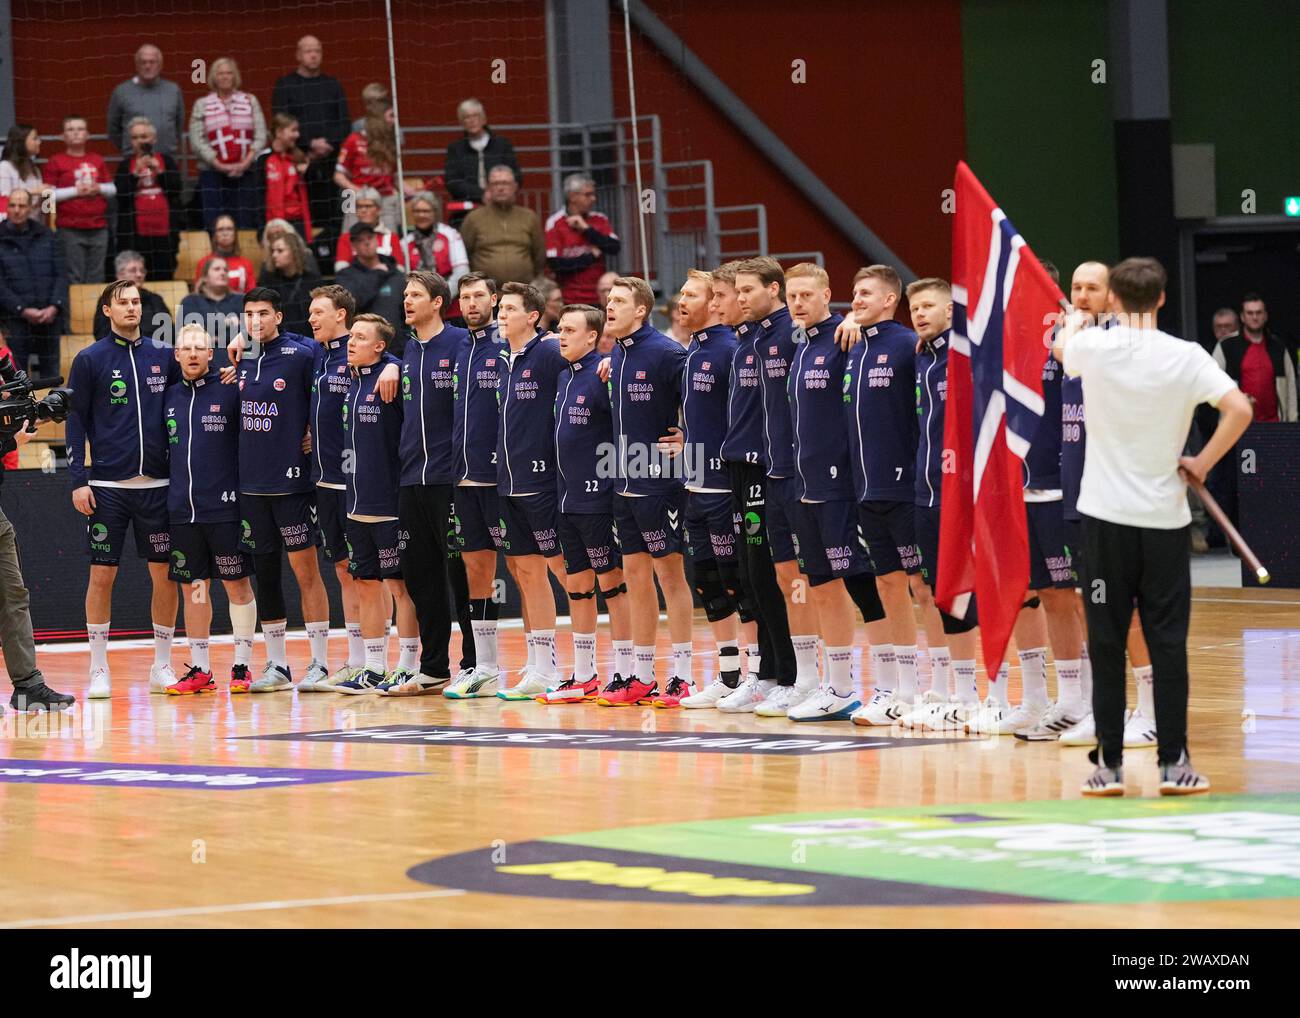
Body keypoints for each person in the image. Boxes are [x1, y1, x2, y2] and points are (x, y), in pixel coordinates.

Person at [1055, 256, 1252, 796]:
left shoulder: (1092, 349)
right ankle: (1174, 762)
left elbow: (1060, 350)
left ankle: (1110, 766)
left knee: (1106, 640)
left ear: (1114, 299)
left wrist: (1074, 318)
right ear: (1162, 298)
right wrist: (1203, 461)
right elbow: (1239, 409)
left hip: (1102, 523)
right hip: (1164, 524)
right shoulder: (1186, 356)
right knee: (1167, 643)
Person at [1050, 261, 1158, 749]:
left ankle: (1152, 710)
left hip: (1117, 497)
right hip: (1078, 494)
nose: (1083, 295)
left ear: (1113, 294)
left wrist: (1070, 328)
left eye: (1093, 287)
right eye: (1076, 288)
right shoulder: (1078, 338)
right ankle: (1104, 708)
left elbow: (1068, 352)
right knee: (1090, 605)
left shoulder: (1118, 342)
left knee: (1125, 608)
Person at [66, 278, 181, 699]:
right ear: (107, 311)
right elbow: (75, 423)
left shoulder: (162, 356)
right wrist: (79, 480)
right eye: (124, 303)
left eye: (136, 302)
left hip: (158, 485)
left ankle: (163, 665)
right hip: (107, 487)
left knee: (165, 575)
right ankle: (98, 668)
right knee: (101, 576)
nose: (133, 308)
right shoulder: (89, 359)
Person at [699, 260, 797, 713]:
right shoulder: (747, 342)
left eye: (738, 293)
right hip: (738, 466)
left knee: (766, 572)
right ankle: (769, 672)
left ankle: (785, 675)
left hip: (766, 469)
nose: (731, 301)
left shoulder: (785, 335)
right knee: (752, 573)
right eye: (725, 294)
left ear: (771, 290)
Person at [835, 265, 929, 726]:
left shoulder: (908, 345)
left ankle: (939, 689)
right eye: (854, 293)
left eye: (866, 293)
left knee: (922, 587)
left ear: (891, 299)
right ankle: (900, 690)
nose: (857, 299)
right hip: (864, 488)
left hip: (908, 487)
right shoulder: (853, 345)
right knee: (888, 584)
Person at [596, 276, 695, 707]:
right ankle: (640, 673)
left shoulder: (670, 354)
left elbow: (706, 407)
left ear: (641, 310)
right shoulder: (616, 355)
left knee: (670, 577)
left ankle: (684, 676)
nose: (609, 307)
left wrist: (688, 437)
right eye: (608, 301)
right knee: (635, 577)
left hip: (662, 483)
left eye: (618, 301)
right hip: (625, 482)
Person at [778, 263, 870, 721]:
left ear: (827, 295)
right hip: (803, 485)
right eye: (792, 296)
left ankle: (873, 685)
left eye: (807, 296)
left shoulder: (843, 338)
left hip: (840, 487)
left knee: (859, 584)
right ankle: (836, 686)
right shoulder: (801, 345)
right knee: (819, 586)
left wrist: (852, 320)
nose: (798, 304)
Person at [231, 287, 330, 693]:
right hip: (252, 487)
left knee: (306, 571)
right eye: (249, 314)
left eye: (263, 313)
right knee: (266, 575)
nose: (255, 321)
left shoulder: (303, 353)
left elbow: (331, 372)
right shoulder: (239, 359)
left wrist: (313, 435)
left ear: (277, 316)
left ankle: (320, 663)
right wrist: (235, 346)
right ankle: (277, 665)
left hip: (292, 484)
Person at [161, 325, 259, 694]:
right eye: (185, 349)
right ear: (176, 356)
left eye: (199, 348)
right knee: (195, 589)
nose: (191, 354)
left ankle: (241, 666)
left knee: (237, 585)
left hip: (226, 509)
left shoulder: (231, 389)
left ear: (210, 353)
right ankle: (200, 668)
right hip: (183, 512)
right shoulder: (169, 397)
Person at [543, 303, 633, 703]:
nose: (561, 336)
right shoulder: (565, 376)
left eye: (570, 330)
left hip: (598, 500)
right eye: (560, 329)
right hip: (566, 499)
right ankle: (584, 674)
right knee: (577, 586)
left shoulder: (605, 374)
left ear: (592, 337)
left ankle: (628, 671)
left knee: (612, 584)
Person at [905, 278, 984, 730]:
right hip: (928, 494)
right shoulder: (922, 358)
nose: (919, 314)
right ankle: (961, 693)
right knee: (943, 594)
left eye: (929, 306)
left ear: (952, 311)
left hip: (968, 496)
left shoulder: (969, 355)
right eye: (915, 307)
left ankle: (996, 694)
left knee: (980, 593)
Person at [486, 282, 570, 701]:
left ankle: (570, 667)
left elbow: (588, 370)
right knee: (524, 573)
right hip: (509, 481)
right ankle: (539, 666)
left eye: (510, 309)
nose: (501, 315)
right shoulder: (505, 358)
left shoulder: (551, 352)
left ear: (533, 316)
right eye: (500, 308)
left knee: (560, 570)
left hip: (543, 483)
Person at [390, 270, 470, 695]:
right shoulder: (407, 350)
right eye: (405, 295)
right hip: (411, 477)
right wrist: (389, 368)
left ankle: (475, 664)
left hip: (448, 478)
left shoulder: (460, 342)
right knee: (420, 577)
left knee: (462, 575)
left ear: (438, 302)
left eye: (415, 295)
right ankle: (434, 666)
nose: (407, 301)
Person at [334, 313, 422, 693]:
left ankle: (406, 664)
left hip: (390, 504)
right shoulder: (351, 380)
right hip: (356, 502)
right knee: (365, 583)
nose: (350, 342)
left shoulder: (394, 377)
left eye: (359, 337)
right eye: (350, 335)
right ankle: (372, 667)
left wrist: (395, 367)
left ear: (380, 346)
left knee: (400, 587)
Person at [670, 270, 743, 708]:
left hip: (724, 487)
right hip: (694, 485)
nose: (681, 300)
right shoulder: (692, 350)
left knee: (740, 583)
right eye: (682, 292)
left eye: (691, 294)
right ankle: (730, 675)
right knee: (708, 583)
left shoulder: (730, 350)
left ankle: (760, 674)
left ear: (715, 302)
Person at [442, 273, 509, 698]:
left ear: (495, 298)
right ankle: (485, 666)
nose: (470, 303)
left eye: (478, 296)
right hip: (462, 477)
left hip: (505, 478)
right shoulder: (455, 346)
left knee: (530, 567)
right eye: (464, 297)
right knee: (476, 570)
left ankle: (564, 666)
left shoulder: (511, 343)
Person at [271, 36, 351, 240]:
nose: (314, 55)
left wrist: (327, 145)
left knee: (339, 210)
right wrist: (309, 144)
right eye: (308, 51)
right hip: (298, 160)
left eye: (317, 50)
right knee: (304, 211)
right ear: (298, 55)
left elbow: (345, 122)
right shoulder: (285, 85)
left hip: (332, 163)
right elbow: (279, 120)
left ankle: (336, 249)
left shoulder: (333, 84)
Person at [189, 57, 267, 229]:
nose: (225, 77)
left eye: (229, 73)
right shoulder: (202, 104)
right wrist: (218, 163)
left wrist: (245, 162)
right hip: (212, 174)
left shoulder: (250, 100)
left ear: (235, 76)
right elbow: (196, 139)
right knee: (214, 221)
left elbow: (260, 135)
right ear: (213, 77)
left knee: (244, 220)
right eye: (221, 73)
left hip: (245, 173)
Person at [0, 188, 66, 378]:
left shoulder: (47, 235)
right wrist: (22, 309)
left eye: (22, 205)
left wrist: (54, 306)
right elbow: (1, 285)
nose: (17, 210)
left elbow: (61, 274)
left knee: (51, 376)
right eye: (12, 205)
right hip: (15, 321)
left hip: (49, 319)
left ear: (30, 208)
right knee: (16, 379)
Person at [45, 116, 115, 284]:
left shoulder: (97, 159)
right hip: (70, 229)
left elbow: (112, 189)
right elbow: (46, 197)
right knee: (73, 276)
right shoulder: (55, 161)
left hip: (98, 227)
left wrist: (98, 188)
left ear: (88, 135)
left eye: (80, 129)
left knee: (97, 276)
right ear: (63, 136)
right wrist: (75, 191)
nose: (75, 133)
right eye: (70, 129)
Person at [113, 117, 181, 281]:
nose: (139, 141)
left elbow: (176, 189)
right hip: (135, 236)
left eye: (143, 137)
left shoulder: (166, 160)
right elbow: (121, 195)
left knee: (165, 277)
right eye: (135, 138)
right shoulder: (125, 165)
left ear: (153, 139)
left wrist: (160, 170)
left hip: (165, 233)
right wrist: (134, 174)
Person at [1212, 293, 1297, 423]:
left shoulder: (1278, 347)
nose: (1255, 317)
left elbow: (1290, 388)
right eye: (1250, 313)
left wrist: (1292, 423)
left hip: (1276, 425)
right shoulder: (1226, 346)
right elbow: (1213, 384)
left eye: (1258, 312)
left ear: (1265, 316)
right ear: (1242, 317)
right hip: (1236, 426)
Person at [459, 166, 544, 285]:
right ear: (488, 188)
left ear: (515, 187)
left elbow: (539, 255)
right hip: (486, 293)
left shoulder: (529, 217)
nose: (500, 188)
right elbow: (464, 255)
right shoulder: (474, 218)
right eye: (495, 184)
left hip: (523, 292)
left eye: (505, 183)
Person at [545, 173, 621, 304]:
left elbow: (614, 247)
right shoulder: (555, 223)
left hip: (600, 297)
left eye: (593, 194)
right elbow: (556, 265)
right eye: (588, 194)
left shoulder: (599, 219)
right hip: (570, 298)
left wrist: (586, 230)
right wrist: (590, 257)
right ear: (572, 197)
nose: (593, 198)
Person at [334, 101, 408, 234]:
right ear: (378, 118)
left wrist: (411, 191)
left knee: (391, 238)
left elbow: (394, 177)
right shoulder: (353, 139)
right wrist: (359, 192)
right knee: (348, 236)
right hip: (354, 195)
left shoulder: (392, 142)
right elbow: (338, 176)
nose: (395, 120)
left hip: (385, 196)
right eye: (391, 116)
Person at [443, 98, 522, 209]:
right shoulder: (455, 149)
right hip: (467, 209)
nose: (471, 120)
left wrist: (497, 193)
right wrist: (481, 194)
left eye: (475, 116)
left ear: (484, 119)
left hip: (501, 205)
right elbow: (452, 181)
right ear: (462, 123)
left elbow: (516, 176)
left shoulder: (502, 144)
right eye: (466, 117)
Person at [107, 44, 185, 155]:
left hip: (167, 160)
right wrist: (129, 150)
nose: (148, 66)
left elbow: (178, 126)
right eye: (143, 62)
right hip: (134, 161)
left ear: (160, 65)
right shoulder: (121, 91)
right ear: (137, 65)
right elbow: (113, 130)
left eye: (152, 62)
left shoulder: (173, 90)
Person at [336, 223, 407, 338]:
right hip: (365, 344)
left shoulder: (395, 272)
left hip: (398, 345)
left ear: (377, 240)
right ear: (353, 247)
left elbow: (407, 310)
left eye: (370, 238)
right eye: (360, 240)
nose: (367, 243)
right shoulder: (346, 276)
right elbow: (352, 304)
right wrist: (377, 273)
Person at [253, 113, 314, 242]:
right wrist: (261, 228)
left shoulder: (299, 158)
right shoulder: (263, 160)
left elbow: (313, 189)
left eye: (297, 131)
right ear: (279, 132)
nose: (297, 135)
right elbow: (258, 196)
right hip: (275, 224)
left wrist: (308, 172)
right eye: (293, 130)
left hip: (298, 223)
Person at [92, 250, 173, 344]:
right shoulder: (107, 299)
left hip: (153, 352)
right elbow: (101, 334)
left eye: (142, 271)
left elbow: (169, 333)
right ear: (120, 275)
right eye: (133, 270)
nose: (139, 275)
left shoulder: (155, 299)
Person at [404, 192, 468, 300]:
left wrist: (442, 298)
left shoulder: (450, 234)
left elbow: (462, 271)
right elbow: (404, 277)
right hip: (418, 303)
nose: (421, 215)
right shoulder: (406, 242)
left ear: (435, 212)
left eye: (426, 211)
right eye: (417, 211)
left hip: (449, 303)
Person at [256, 229, 321, 336]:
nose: (274, 255)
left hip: (309, 338)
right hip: (279, 338)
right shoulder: (268, 280)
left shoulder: (311, 279)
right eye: (273, 251)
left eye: (280, 251)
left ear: (294, 252)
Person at [333, 187, 414, 271]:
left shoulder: (391, 237)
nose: (363, 210)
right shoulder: (346, 238)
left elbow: (399, 269)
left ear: (379, 209)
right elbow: (341, 270)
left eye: (368, 206)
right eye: (359, 207)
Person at [180, 256, 242, 351]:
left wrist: (218, 338)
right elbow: (194, 333)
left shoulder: (241, 299)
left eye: (225, 270)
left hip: (239, 353)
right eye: (217, 269)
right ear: (205, 277)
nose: (222, 273)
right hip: (204, 354)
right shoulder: (190, 301)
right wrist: (232, 323)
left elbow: (249, 330)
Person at [193, 214, 255, 293]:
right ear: (215, 235)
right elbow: (198, 293)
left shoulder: (246, 263)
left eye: (229, 229)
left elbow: (252, 295)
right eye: (220, 229)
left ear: (235, 233)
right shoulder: (204, 263)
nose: (225, 233)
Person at [0, 124, 46, 201]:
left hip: (36, 213)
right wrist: (33, 192)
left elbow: (43, 206)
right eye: (34, 139)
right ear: (21, 141)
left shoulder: (34, 169)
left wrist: (49, 197)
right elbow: (3, 200)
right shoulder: (5, 167)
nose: (39, 142)